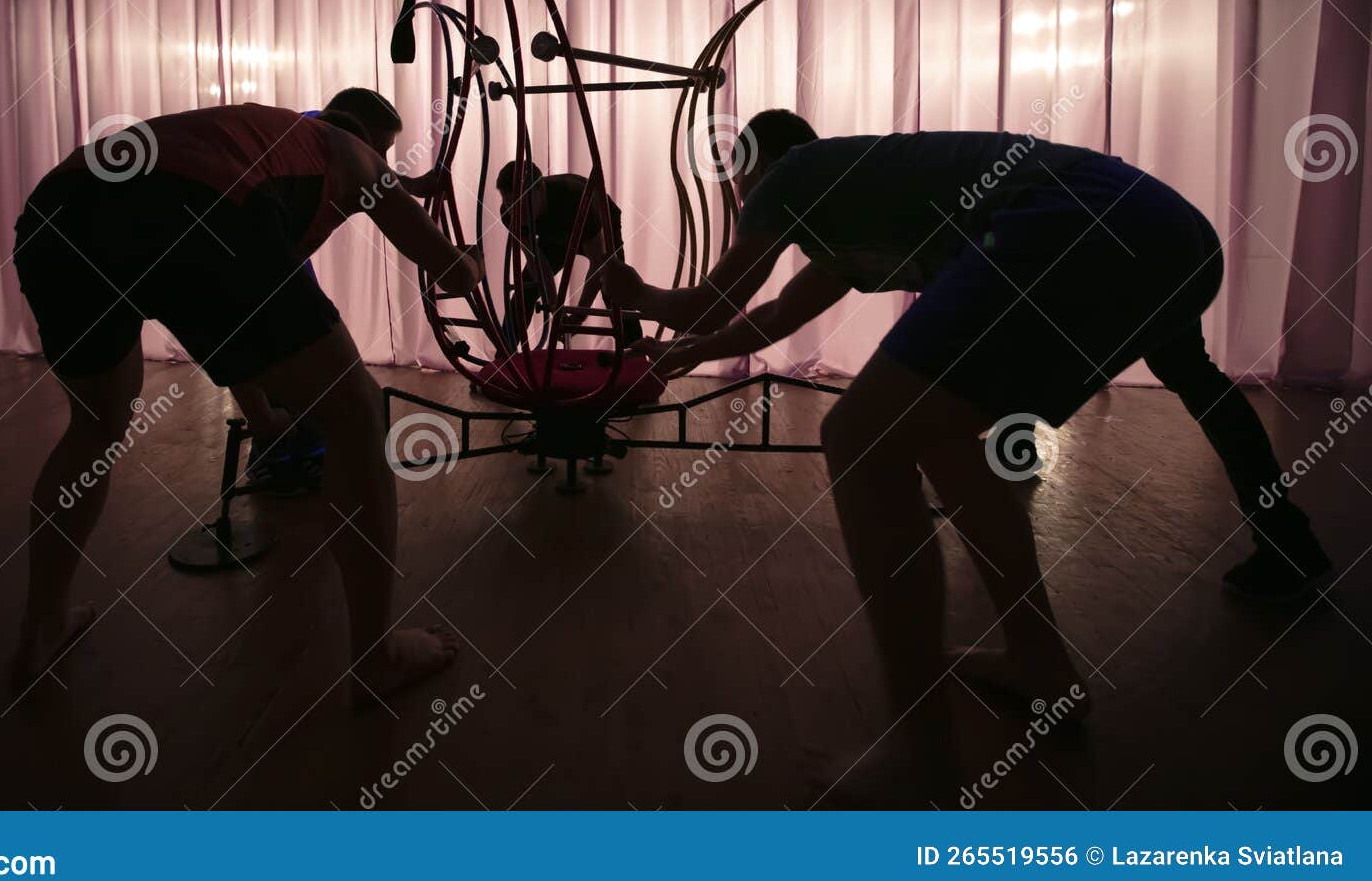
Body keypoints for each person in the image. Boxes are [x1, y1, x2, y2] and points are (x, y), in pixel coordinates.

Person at [602, 109, 1332, 799]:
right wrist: (681, 357)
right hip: (1170, 242)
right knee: (939, 440)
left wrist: (636, 293)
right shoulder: (849, 221)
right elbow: (764, 321)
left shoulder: (792, 172)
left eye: (736, 180)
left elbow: (713, 300)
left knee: (861, 435)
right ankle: (1040, 668)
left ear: (751, 169)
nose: (738, 198)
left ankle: (923, 754)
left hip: (1083, 226)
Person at [11, 100, 480, 697]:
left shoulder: (265, 138)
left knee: (94, 426)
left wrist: (262, 414)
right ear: (370, 137)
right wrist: (474, 263)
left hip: (61, 208)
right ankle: (376, 658)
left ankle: (40, 630)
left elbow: (233, 314)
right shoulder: (350, 152)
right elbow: (452, 272)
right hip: (189, 207)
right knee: (355, 416)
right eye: (387, 152)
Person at [229, 89, 445, 493]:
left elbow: (371, 171)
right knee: (305, 360)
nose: (378, 162)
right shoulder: (324, 142)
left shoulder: (310, 126)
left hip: (267, 250)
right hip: (256, 252)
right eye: (377, 149)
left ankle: (290, 452)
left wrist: (411, 184)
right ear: (353, 130)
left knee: (293, 355)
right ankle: (286, 457)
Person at [495, 159, 640, 347]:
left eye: (522, 205)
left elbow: (598, 264)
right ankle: (505, 353)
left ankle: (635, 355)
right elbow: (537, 265)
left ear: (541, 189)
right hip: (556, 234)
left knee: (614, 284)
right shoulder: (510, 215)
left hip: (600, 223)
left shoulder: (576, 199)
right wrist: (557, 312)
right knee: (527, 286)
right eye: (510, 205)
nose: (517, 214)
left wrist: (579, 317)